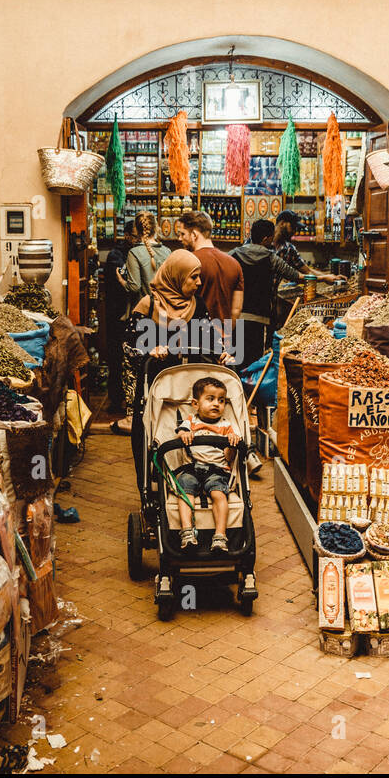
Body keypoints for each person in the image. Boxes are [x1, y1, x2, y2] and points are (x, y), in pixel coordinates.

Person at [123, 250, 207, 474]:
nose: (199, 282)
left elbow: (210, 340)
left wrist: (222, 354)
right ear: (176, 275)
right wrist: (150, 349)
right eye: (194, 277)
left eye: (198, 276)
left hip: (187, 385)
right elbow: (130, 345)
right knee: (148, 434)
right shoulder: (147, 305)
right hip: (154, 383)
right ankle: (147, 487)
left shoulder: (197, 305)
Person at [230, 219, 313, 367]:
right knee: (255, 362)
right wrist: (325, 278)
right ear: (266, 239)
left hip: (236, 317)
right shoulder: (270, 258)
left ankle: (238, 388)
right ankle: (252, 388)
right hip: (261, 319)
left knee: (236, 359)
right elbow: (296, 276)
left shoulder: (234, 254)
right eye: (272, 236)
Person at [171, 376, 241, 553]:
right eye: (210, 399)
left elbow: (229, 457)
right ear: (196, 404)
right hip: (192, 468)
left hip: (217, 471)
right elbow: (181, 433)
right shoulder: (191, 421)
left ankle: (220, 536)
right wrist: (184, 435)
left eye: (221, 400)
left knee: (219, 495)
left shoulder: (227, 426)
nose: (216, 404)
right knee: (185, 492)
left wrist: (231, 444)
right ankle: (187, 531)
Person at [175, 210, 242, 365]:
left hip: (194, 344)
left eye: (182, 234)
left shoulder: (188, 263)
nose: (179, 238)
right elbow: (236, 310)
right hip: (224, 346)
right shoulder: (234, 263)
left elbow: (180, 306)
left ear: (194, 235)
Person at [103, 229, 136, 423]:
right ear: (128, 236)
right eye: (134, 237)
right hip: (117, 315)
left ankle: (129, 400)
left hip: (130, 315)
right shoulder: (116, 255)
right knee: (116, 358)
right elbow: (127, 281)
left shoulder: (133, 255)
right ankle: (116, 400)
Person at [121, 211, 171, 304]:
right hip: (165, 308)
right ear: (156, 228)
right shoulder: (167, 251)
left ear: (136, 229)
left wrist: (121, 280)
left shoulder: (134, 253)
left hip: (144, 310)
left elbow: (134, 287)